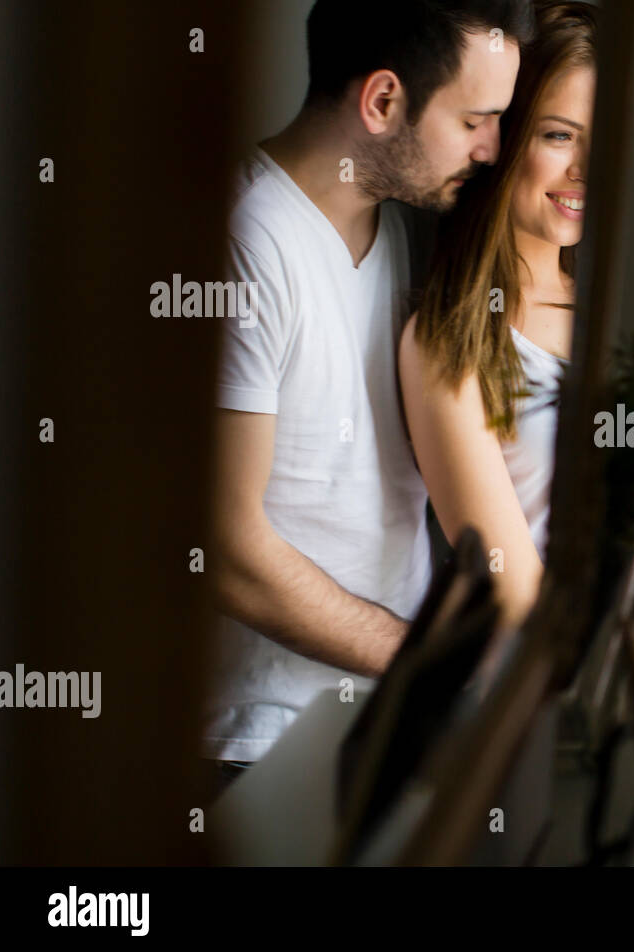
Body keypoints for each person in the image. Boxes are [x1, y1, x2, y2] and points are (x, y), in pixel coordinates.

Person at [204, 0, 535, 781]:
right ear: (383, 102)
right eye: (475, 121)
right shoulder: (242, 244)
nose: (492, 150)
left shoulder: (399, 226)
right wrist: (430, 659)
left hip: (387, 719)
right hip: (264, 742)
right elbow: (228, 550)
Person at [399, 0, 595, 630]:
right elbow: (516, 596)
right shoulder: (450, 338)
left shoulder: (624, 309)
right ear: (507, 138)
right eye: (558, 135)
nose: (583, 169)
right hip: (542, 689)